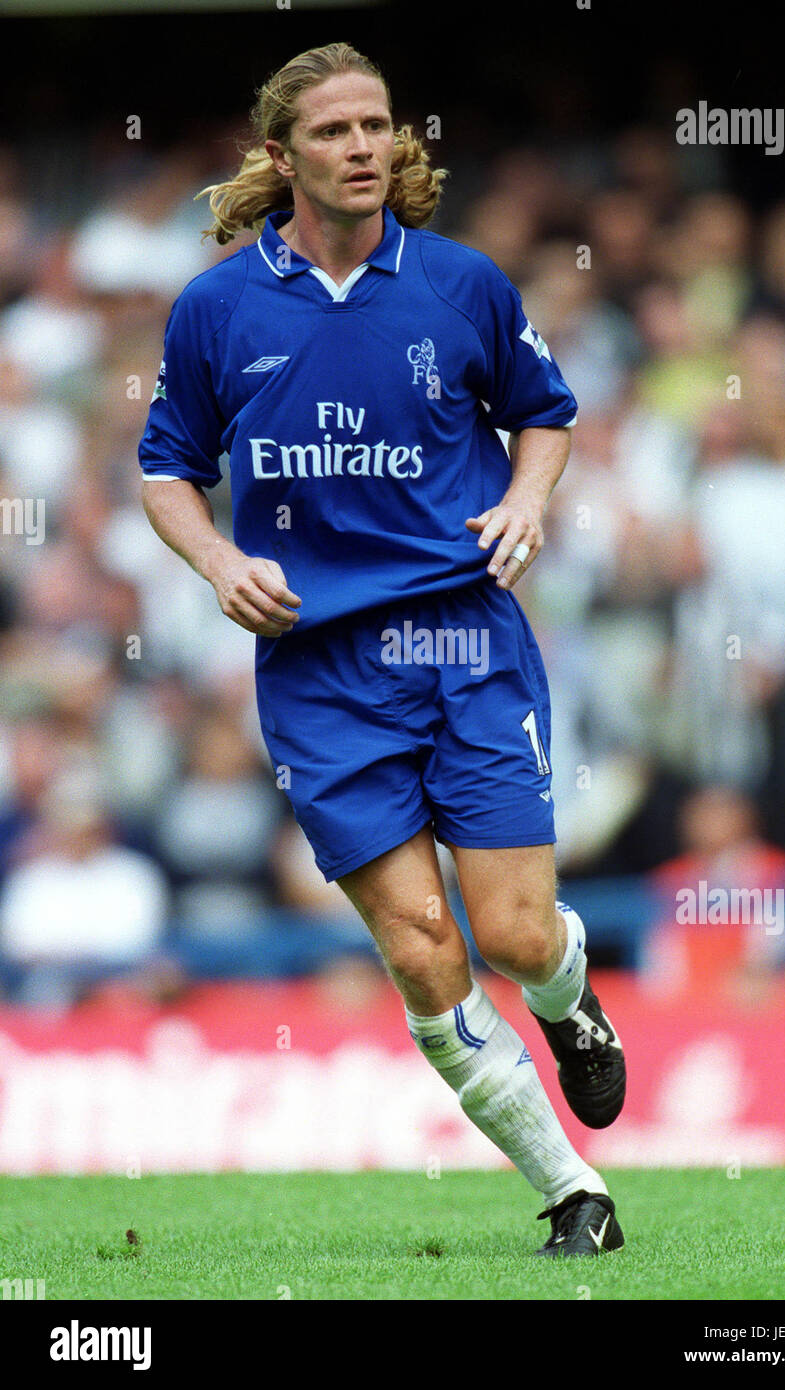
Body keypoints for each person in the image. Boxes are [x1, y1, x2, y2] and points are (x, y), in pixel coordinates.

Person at [139, 42, 626, 1257]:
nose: (364, 147)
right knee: (421, 947)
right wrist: (218, 561)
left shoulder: (461, 284)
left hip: (463, 640)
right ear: (280, 156)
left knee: (514, 935)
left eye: (379, 126)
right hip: (316, 670)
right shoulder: (216, 306)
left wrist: (524, 503)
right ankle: (575, 1192)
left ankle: (570, 1007)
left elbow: (545, 416)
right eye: (335, 131)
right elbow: (165, 469)